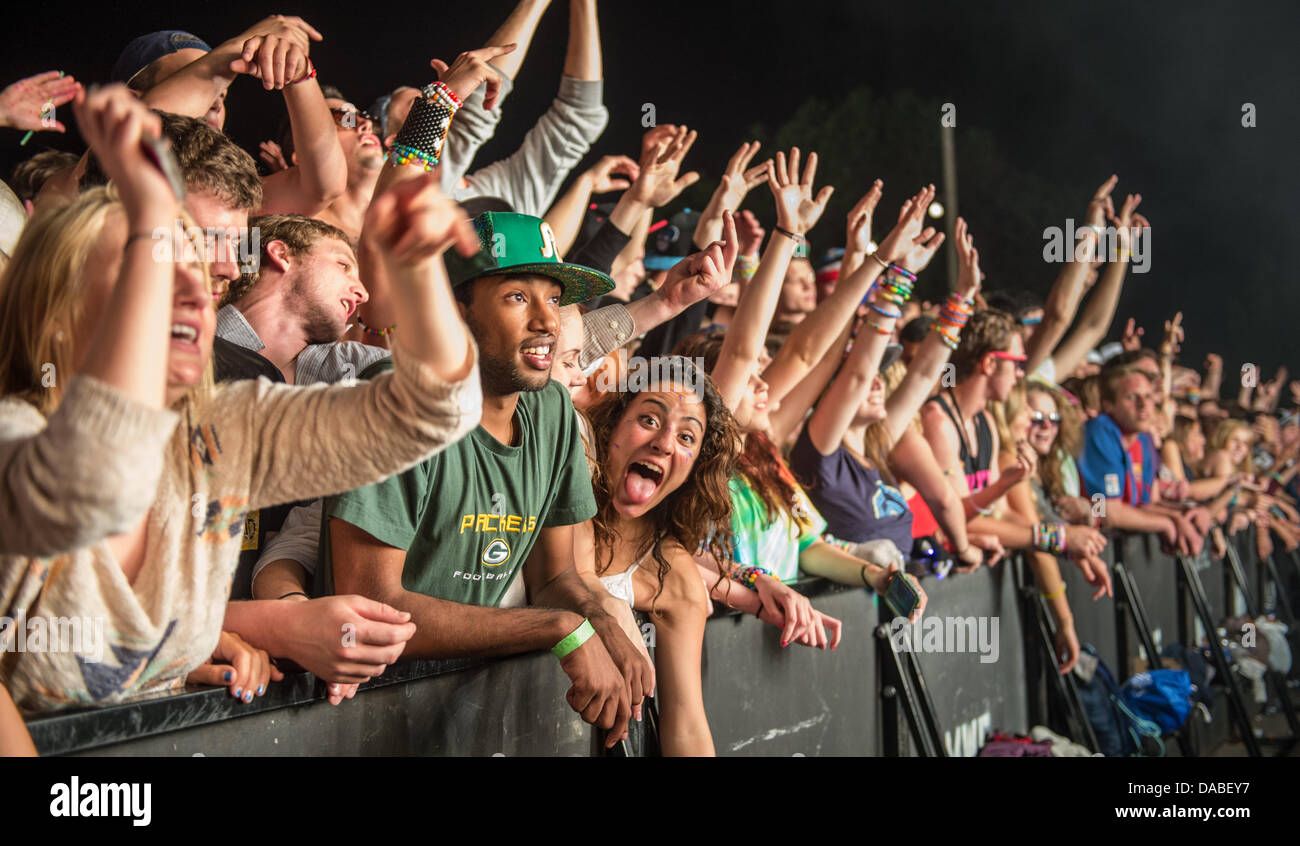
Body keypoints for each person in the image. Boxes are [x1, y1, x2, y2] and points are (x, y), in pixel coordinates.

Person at [0, 86, 482, 711]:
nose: (212, 282)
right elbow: (92, 487)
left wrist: (413, 271)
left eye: (202, 270)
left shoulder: (221, 426)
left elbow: (433, 414)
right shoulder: (15, 429)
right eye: (159, 259)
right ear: (56, 307)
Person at [264, 210, 653, 748]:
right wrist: (560, 629)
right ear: (457, 310)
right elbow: (374, 603)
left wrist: (600, 619)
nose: (548, 321)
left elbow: (555, 577)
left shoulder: (553, 410)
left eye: (554, 298)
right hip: (344, 716)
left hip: (468, 709)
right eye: (518, 297)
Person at [580, 356, 743, 755]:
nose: (665, 442)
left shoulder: (676, 575)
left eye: (687, 437)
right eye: (649, 419)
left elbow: (686, 726)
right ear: (611, 424)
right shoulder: (561, 510)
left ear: (695, 467)